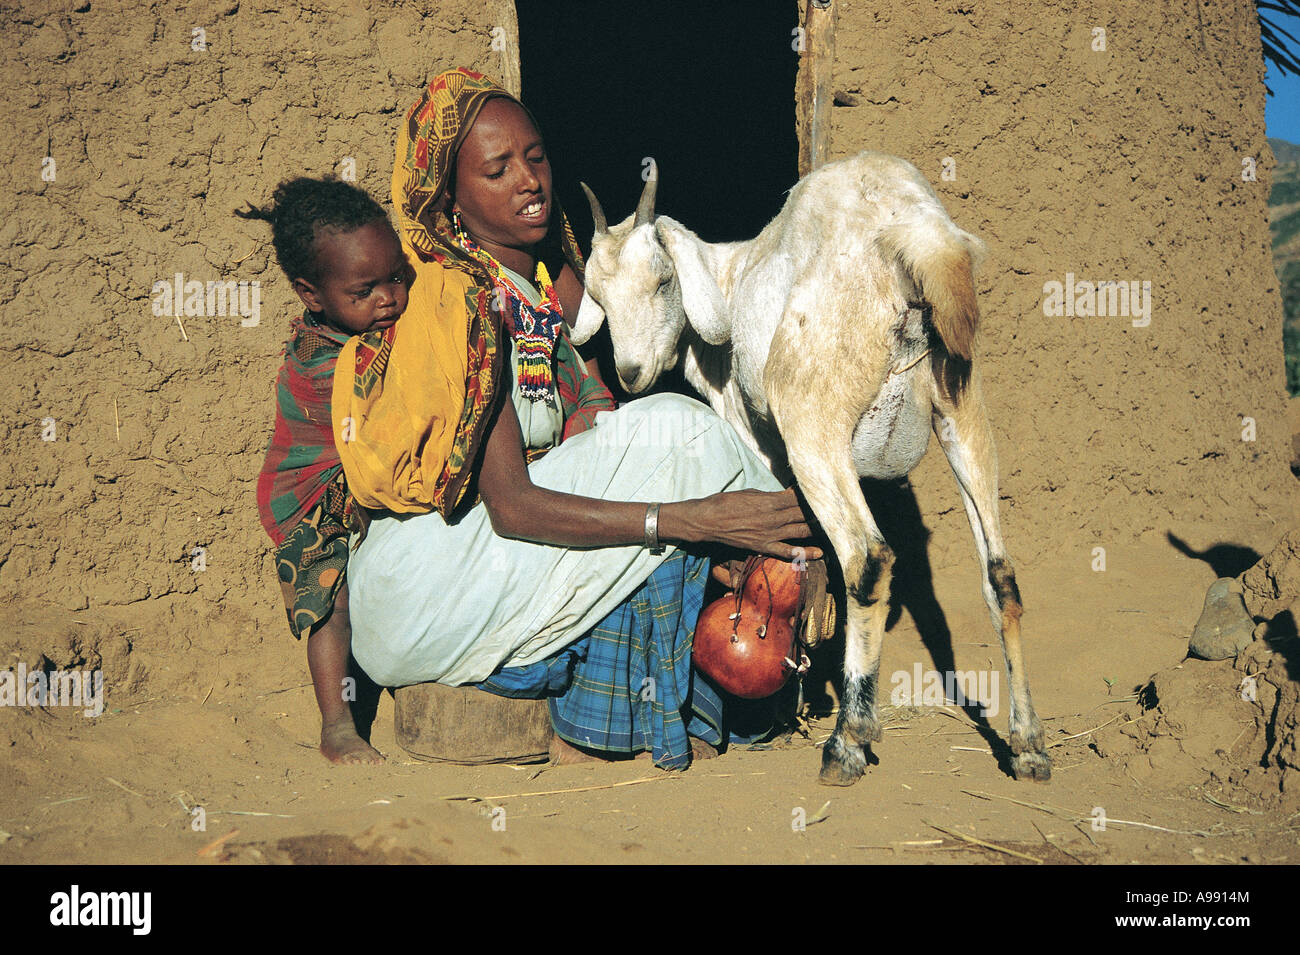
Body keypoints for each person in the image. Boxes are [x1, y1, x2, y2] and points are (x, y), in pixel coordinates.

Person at [338, 68, 821, 769]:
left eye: (535, 157)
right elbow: (513, 506)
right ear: (450, 198)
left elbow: (593, 415)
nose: (529, 180)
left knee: (665, 447)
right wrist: (692, 520)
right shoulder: (463, 304)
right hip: (423, 584)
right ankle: (791, 559)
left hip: (475, 565)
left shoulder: (535, 287)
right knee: (676, 434)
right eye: (497, 169)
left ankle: (777, 569)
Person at [242, 178, 411, 765]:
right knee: (328, 597)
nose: (388, 298)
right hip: (310, 491)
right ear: (312, 295)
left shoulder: (377, 332)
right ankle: (337, 724)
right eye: (365, 290)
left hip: (360, 476)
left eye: (397, 277)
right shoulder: (321, 361)